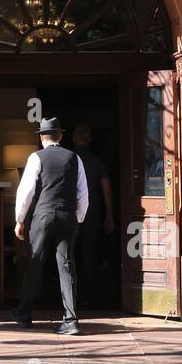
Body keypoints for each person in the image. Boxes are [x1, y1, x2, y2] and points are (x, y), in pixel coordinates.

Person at [12, 118, 89, 335]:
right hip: (67, 215)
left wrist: (19, 219)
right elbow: (83, 193)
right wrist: (78, 218)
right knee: (67, 266)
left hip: (44, 215)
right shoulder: (74, 158)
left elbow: (26, 190)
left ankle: (24, 313)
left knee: (35, 262)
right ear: (61, 136)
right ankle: (71, 320)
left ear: (41, 137)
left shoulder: (36, 157)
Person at [71, 123, 115, 308]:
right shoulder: (97, 162)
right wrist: (109, 215)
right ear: (89, 140)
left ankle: (69, 297)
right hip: (93, 211)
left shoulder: (69, 159)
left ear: (74, 139)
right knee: (89, 254)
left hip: (71, 212)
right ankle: (89, 296)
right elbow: (106, 189)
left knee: (69, 253)